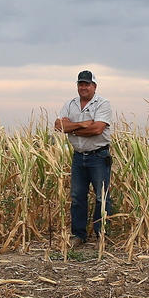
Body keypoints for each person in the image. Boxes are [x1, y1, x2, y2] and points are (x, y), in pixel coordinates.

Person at [54, 70, 113, 248]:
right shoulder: (70, 104)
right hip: (79, 156)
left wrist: (71, 127)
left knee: (102, 198)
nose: (83, 87)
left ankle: (101, 235)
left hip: (99, 156)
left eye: (87, 84)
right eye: (80, 84)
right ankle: (79, 235)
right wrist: (82, 124)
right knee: (77, 197)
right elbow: (58, 126)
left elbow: (97, 129)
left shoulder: (103, 104)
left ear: (94, 86)